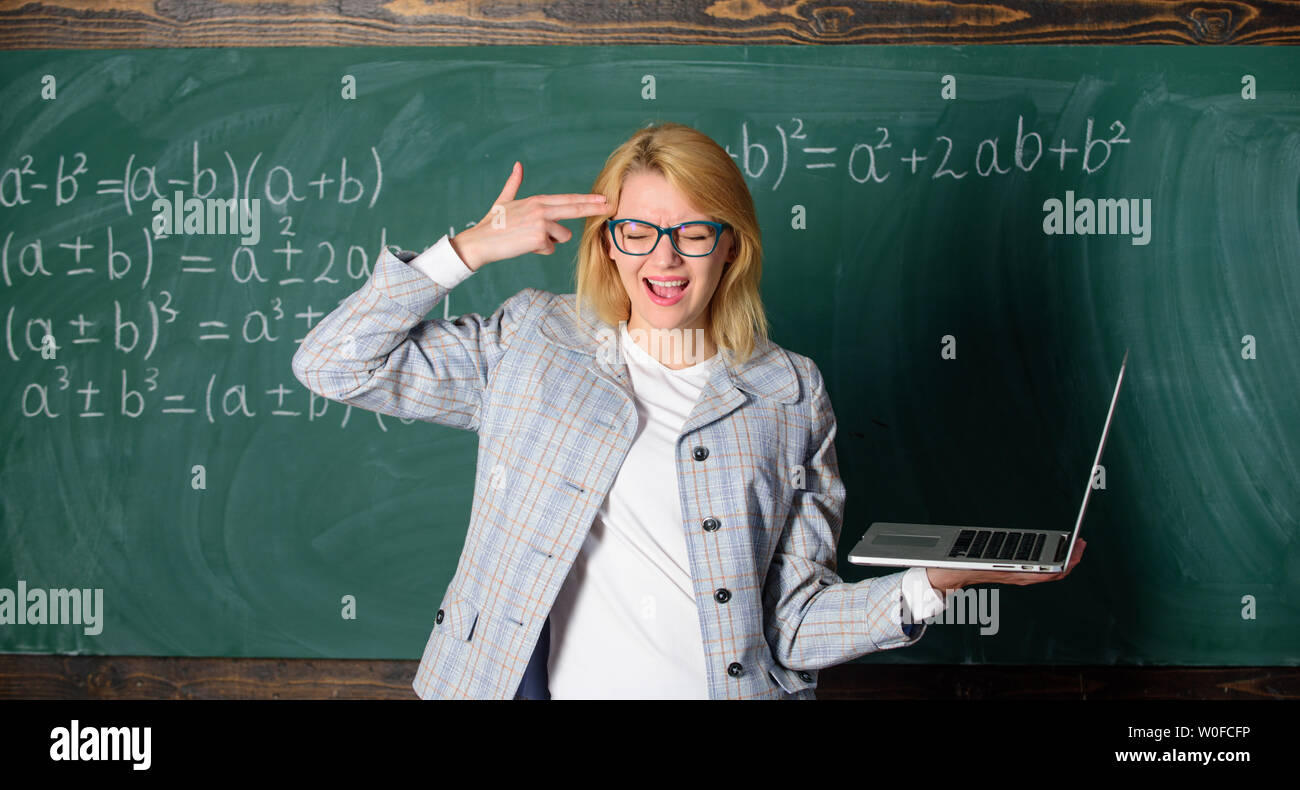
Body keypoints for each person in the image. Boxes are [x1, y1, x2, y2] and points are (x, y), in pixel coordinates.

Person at [291, 122, 1085, 700]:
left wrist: (934, 583)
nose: (663, 259)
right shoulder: (532, 340)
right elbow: (333, 363)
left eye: (692, 233)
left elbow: (794, 626)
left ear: (730, 247)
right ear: (608, 245)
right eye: (637, 232)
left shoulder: (788, 392)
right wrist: (465, 249)